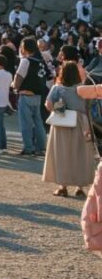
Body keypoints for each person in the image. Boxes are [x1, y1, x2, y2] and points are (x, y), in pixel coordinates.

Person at [42, 62, 97, 198]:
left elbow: (49, 105)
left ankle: (63, 186)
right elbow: (89, 107)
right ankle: (80, 187)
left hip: (62, 121)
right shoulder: (83, 89)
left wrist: (60, 106)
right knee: (80, 154)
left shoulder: (57, 88)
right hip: (81, 122)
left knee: (62, 154)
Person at [13, 37, 49, 156]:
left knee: (26, 124)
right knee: (38, 122)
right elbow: (49, 75)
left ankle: (28, 147)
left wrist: (15, 88)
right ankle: (41, 147)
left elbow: (19, 76)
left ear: (25, 48)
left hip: (26, 94)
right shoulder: (41, 61)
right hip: (38, 95)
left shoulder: (26, 60)